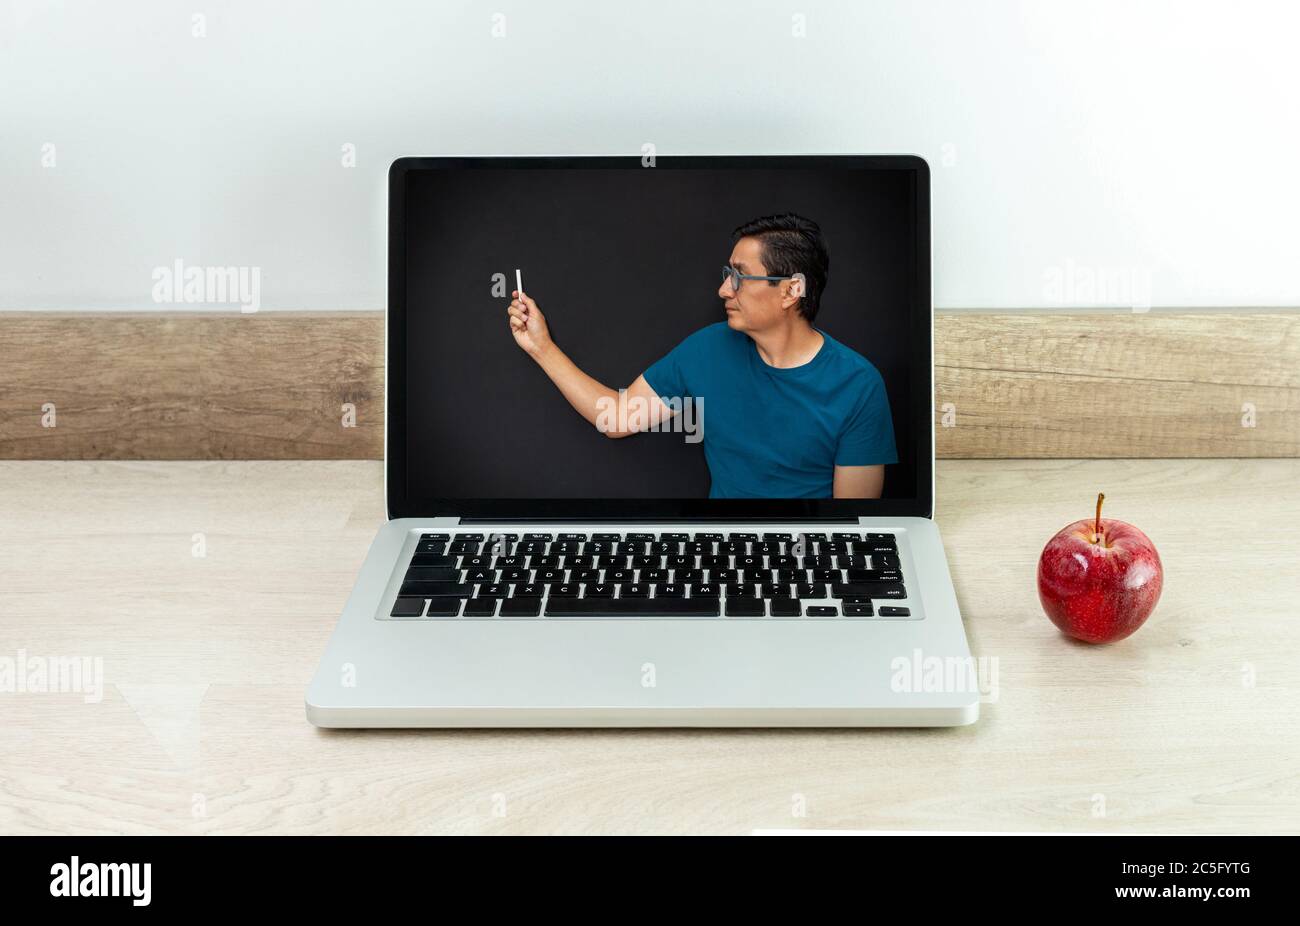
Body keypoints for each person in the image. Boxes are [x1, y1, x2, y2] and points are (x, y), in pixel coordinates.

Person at [505, 213, 896, 498]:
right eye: (728, 274)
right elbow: (617, 418)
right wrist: (541, 347)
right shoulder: (709, 348)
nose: (724, 290)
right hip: (721, 554)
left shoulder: (858, 385)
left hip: (806, 563)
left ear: (791, 290)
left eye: (740, 277)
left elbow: (851, 525)